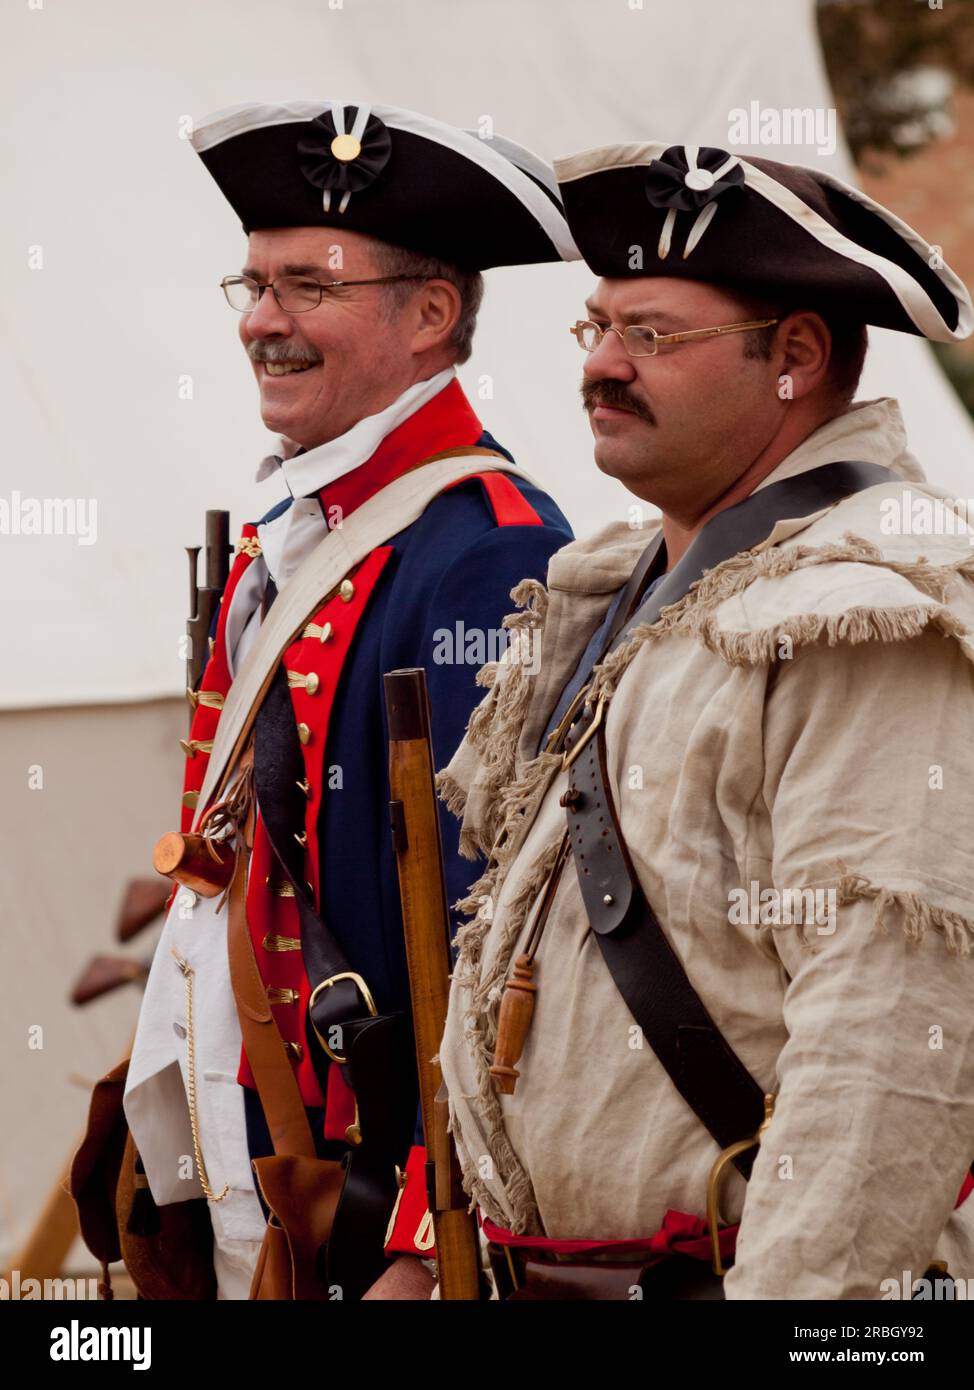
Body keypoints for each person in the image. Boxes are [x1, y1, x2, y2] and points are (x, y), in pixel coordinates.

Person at [437, 142, 974, 1300]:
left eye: (655, 337)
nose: (602, 367)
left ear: (794, 358)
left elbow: (881, 1043)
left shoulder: (871, 605)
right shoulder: (623, 584)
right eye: (596, 327)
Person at [112, 99, 575, 1300]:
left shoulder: (483, 550)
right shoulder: (296, 529)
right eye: (253, 286)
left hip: (381, 1189)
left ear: (428, 316)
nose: (262, 322)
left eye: (306, 287)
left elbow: (505, 934)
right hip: (263, 1141)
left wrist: (430, 1234)